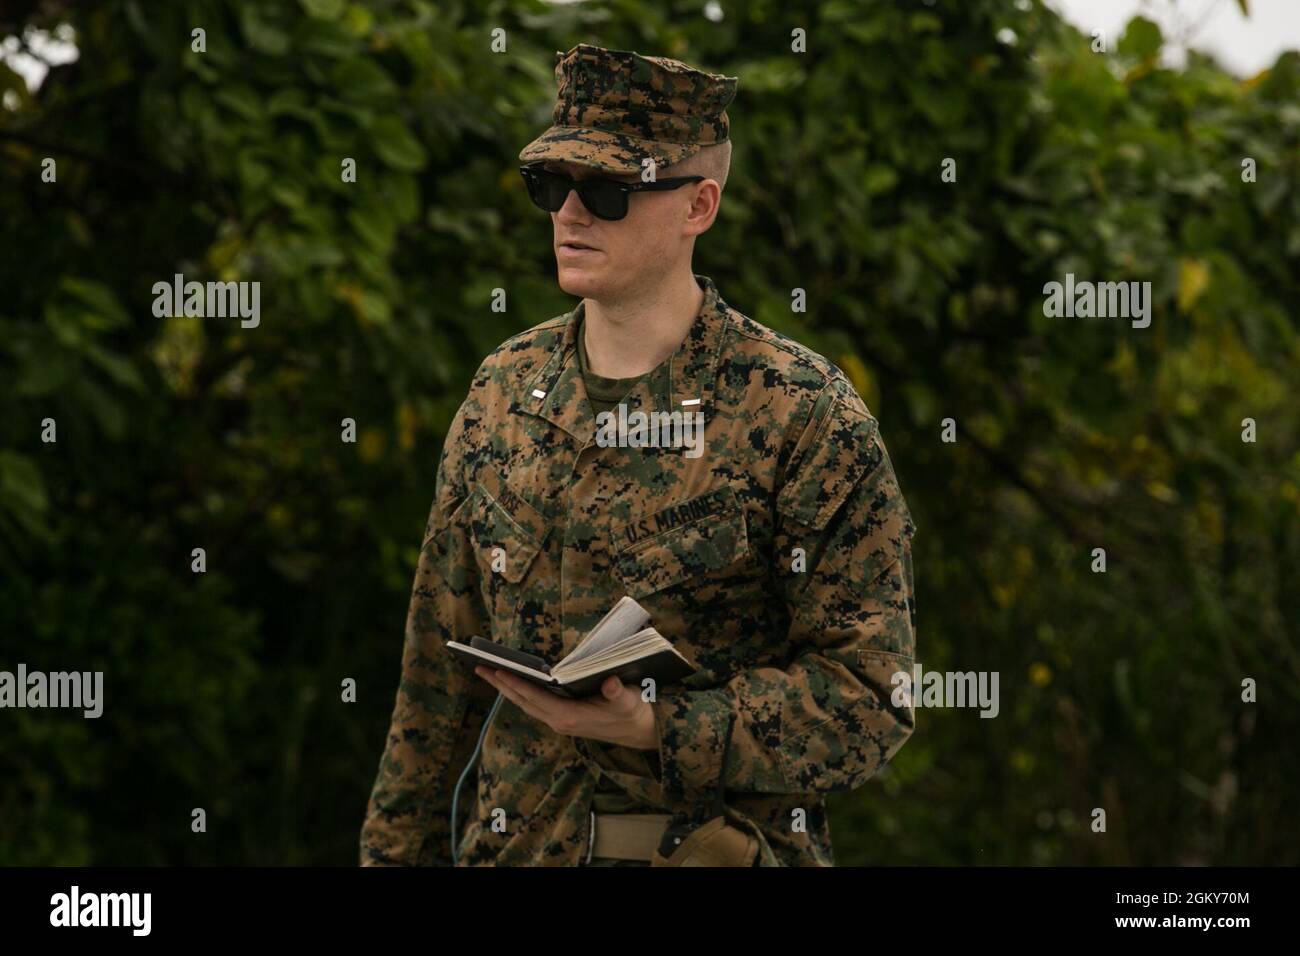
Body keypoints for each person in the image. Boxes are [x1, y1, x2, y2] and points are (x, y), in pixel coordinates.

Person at [360, 42, 917, 867]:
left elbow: (873, 700)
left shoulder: (802, 414)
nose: (570, 215)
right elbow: (433, 684)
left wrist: (663, 724)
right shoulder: (503, 392)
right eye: (550, 187)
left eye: (610, 192)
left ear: (699, 206)